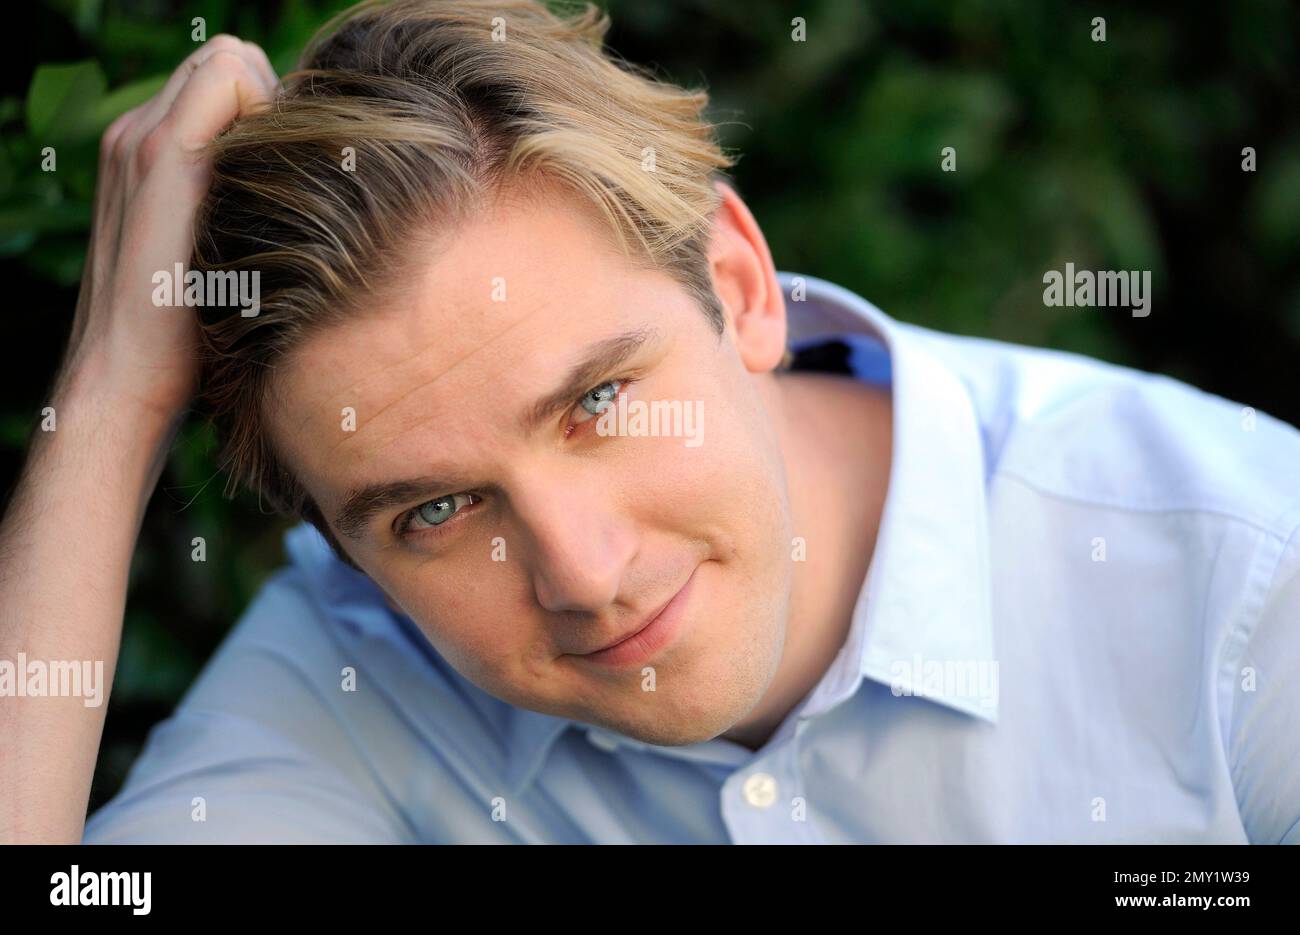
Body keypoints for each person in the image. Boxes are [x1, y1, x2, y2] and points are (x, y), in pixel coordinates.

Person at [2, 0, 1297, 844]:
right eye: (437, 511)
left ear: (737, 285)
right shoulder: (350, 678)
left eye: (599, 401)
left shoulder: (1245, 581)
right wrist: (114, 401)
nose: (583, 571)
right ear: (352, 558)